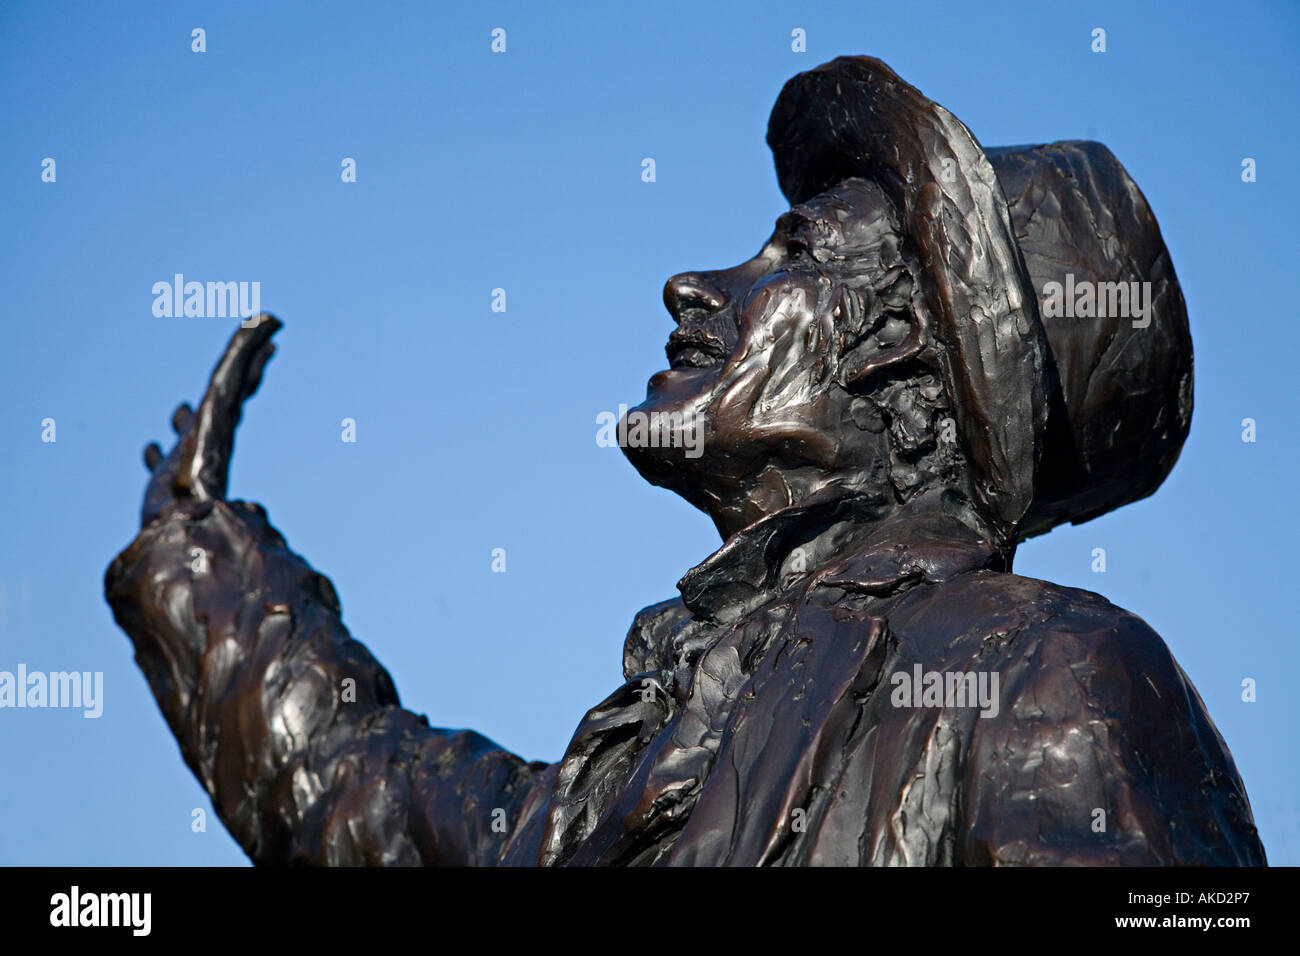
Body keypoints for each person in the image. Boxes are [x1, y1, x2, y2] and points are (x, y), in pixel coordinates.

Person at [106, 56, 1265, 866]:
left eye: (791, 254)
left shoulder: (1053, 674)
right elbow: (382, 813)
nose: (696, 285)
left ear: (901, 354)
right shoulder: (667, 739)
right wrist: (206, 563)